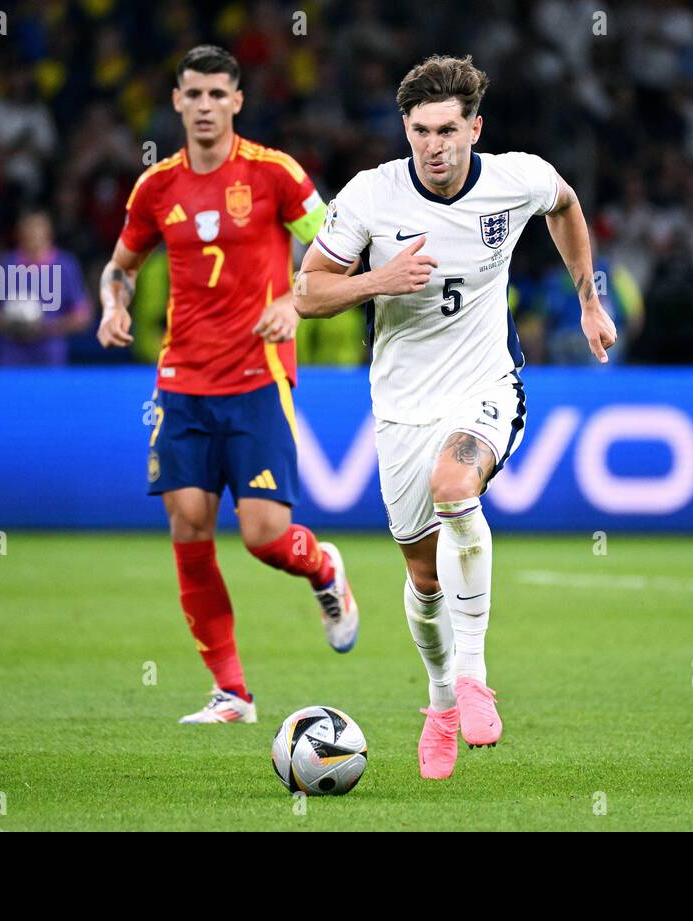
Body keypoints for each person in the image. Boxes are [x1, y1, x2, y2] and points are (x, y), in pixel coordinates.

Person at [294, 55, 616, 779]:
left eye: (447, 129)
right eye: (419, 131)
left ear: (475, 127)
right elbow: (306, 292)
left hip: (485, 383)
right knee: (423, 575)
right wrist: (380, 279)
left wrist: (588, 299)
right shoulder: (372, 198)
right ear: (404, 130)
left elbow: (565, 205)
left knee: (455, 484)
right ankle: (440, 700)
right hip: (402, 405)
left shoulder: (515, 179)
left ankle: (472, 676)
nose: (433, 145)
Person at [97, 45, 358, 725]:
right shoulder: (156, 187)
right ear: (177, 102)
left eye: (218, 94)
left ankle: (323, 568)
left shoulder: (275, 175)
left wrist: (295, 302)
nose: (206, 106)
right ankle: (232, 692)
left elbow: (338, 246)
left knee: (266, 537)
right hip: (182, 381)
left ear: (237, 101)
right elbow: (120, 265)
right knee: (188, 523)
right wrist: (114, 304)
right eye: (194, 94)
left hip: (257, 378)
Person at [0, 210, 91, 366]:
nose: (33, 236)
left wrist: (46, 328)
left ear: (49, 234)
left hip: (49, 355)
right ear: (19, 234)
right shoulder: (6, 264)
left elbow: (82, 316)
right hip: (11, 355)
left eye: (37, 231)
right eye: (28, 231)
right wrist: (12, 326)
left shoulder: (65, 265)